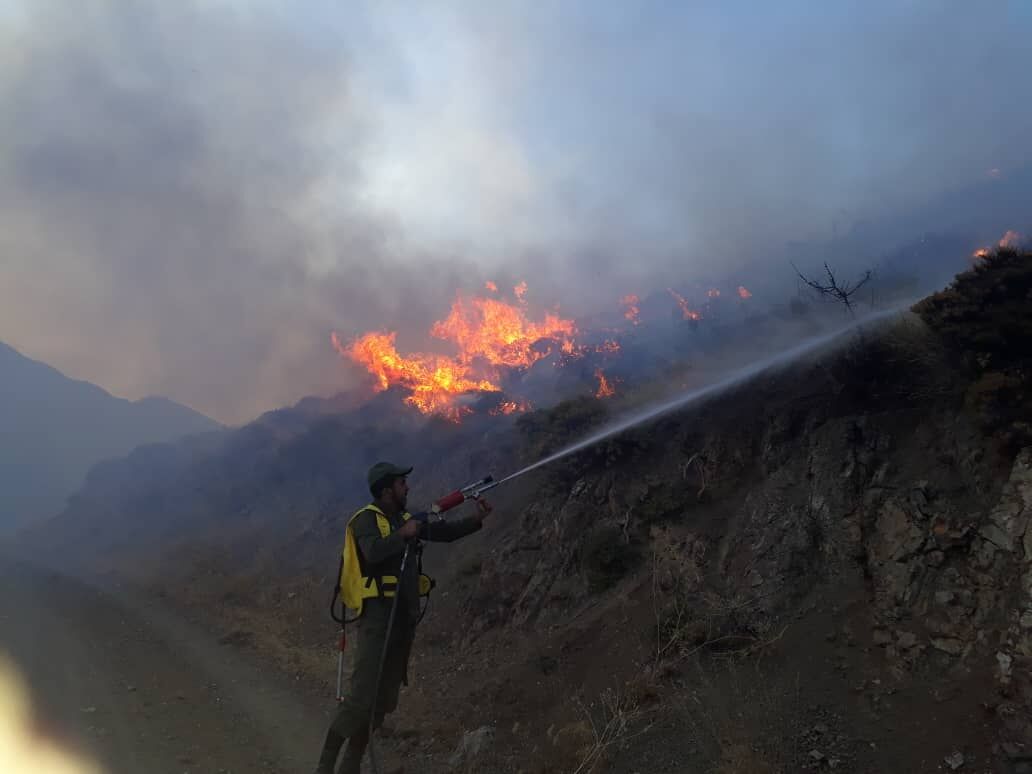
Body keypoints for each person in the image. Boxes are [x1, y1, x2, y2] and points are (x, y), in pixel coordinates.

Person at [313, 462, 492, 774]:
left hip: (402, 621)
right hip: (377, 620)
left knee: (382, 701)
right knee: (361, 698)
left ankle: (350, 766)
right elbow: (372, 551)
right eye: (401, 483)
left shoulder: (405, 518)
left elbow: (443, 533)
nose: (407, 487)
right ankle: (324, 767)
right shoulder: (366, 519)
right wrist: (402, 535)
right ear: (386, 490)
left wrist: (476, 520)